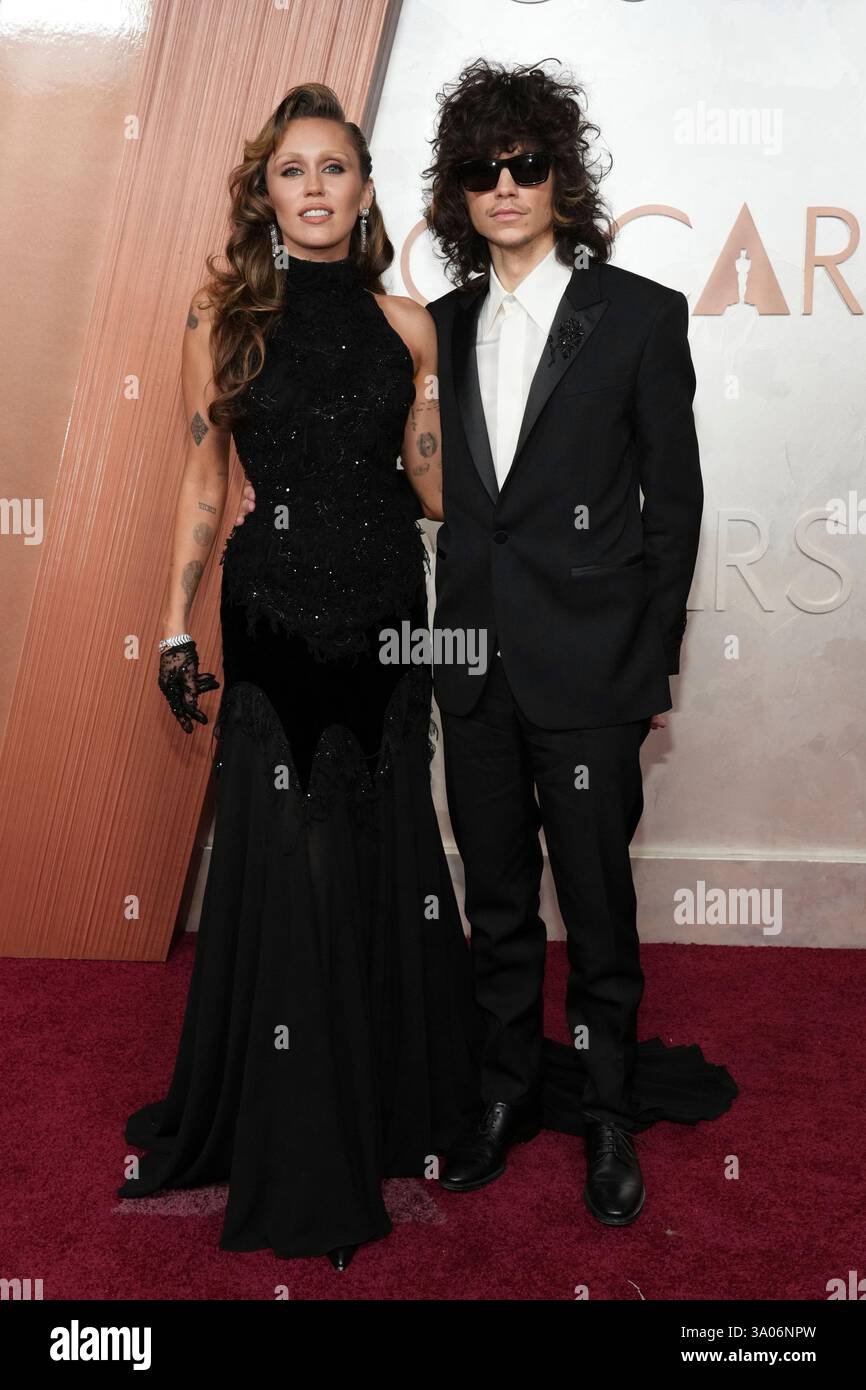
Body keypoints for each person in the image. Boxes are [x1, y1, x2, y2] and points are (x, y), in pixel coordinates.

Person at [116, 83, 481, 1269]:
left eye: (334, 169)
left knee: (383, 853)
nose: (314, 188)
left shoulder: (411, 324)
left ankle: (386, 1108)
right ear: (264, 194)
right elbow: (204, 482)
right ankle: (298, 1127)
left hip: (386, 612)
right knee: (297, 861)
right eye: (292, 171)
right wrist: (173, 624)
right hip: (270, 611)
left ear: (365, 192)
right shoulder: (220, 316)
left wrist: (536, 526)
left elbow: (431, 487)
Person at [419, 58, 737, 1224]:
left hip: (591, 672)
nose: (504, 184)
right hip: (475, 668)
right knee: (494, 899)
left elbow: (678, 506)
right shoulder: (439, 329)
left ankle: (606, 1111)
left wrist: (645, 667)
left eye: (525, 162)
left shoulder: (637, 315)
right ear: (456, 191)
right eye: (479, 168)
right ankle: (505, 1091)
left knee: (596, 907)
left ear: (559, 173)